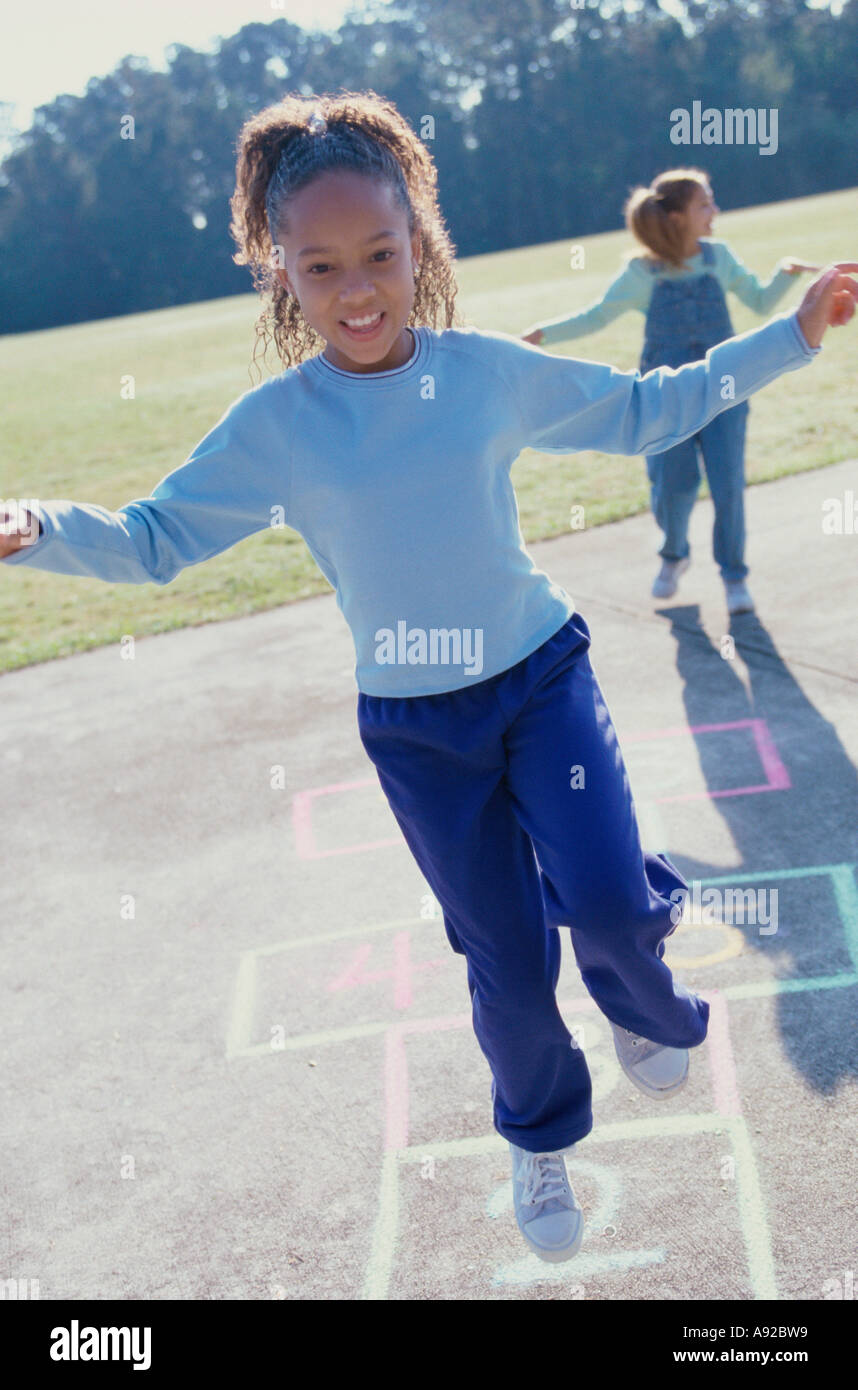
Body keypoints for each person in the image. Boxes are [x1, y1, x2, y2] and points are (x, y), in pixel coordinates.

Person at [3, 93, 855, 1265]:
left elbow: (655, 409)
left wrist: (795, 332)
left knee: (610, 911)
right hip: (418, 730)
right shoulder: (276, 429)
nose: (357, 290)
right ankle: (541, 1134)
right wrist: (38, 522)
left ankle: (641, 1008)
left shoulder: (483, 375)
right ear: (275, 268)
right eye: (321, 265)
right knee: (506, 962)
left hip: (541, 681)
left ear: (421, 247)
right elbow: (157, 542)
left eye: (382, 256)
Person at [522, 168, 820, 615]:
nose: (714, 211)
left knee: (728, 486)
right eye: (705, 204)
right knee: (674, 485)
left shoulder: (719, 258)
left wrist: (785, 275)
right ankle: (675, 554)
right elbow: (597, 316)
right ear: (678, 217)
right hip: (663, 400)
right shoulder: (641, 272)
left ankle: (734, 576)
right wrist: (543, 334)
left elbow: (759, 301)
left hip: (725, 392)